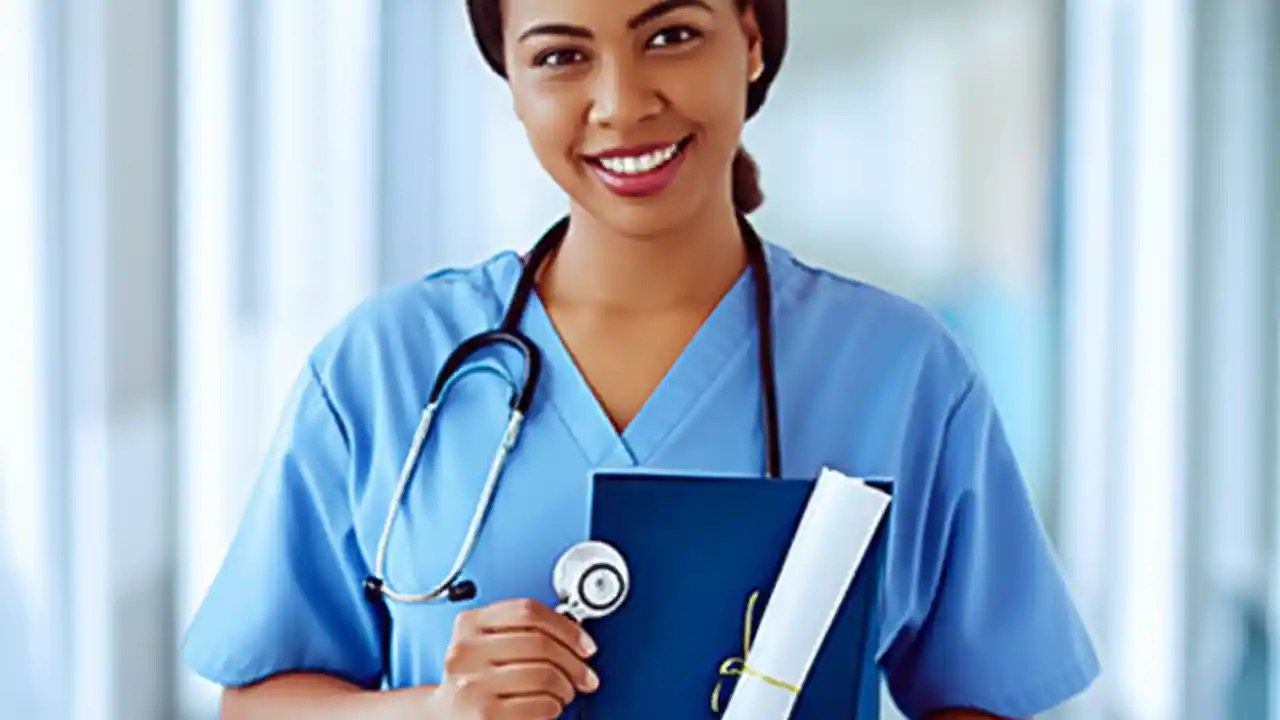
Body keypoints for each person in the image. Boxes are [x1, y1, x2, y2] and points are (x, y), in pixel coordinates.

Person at [180, 0, 1100, 718]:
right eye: (560, 56)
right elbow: (254, 702)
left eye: (670, 36)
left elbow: (988, 697)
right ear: (511, 80)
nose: (622, 103)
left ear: (751, 40)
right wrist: (432, 711)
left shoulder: (902, 373)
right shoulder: (383, 367)